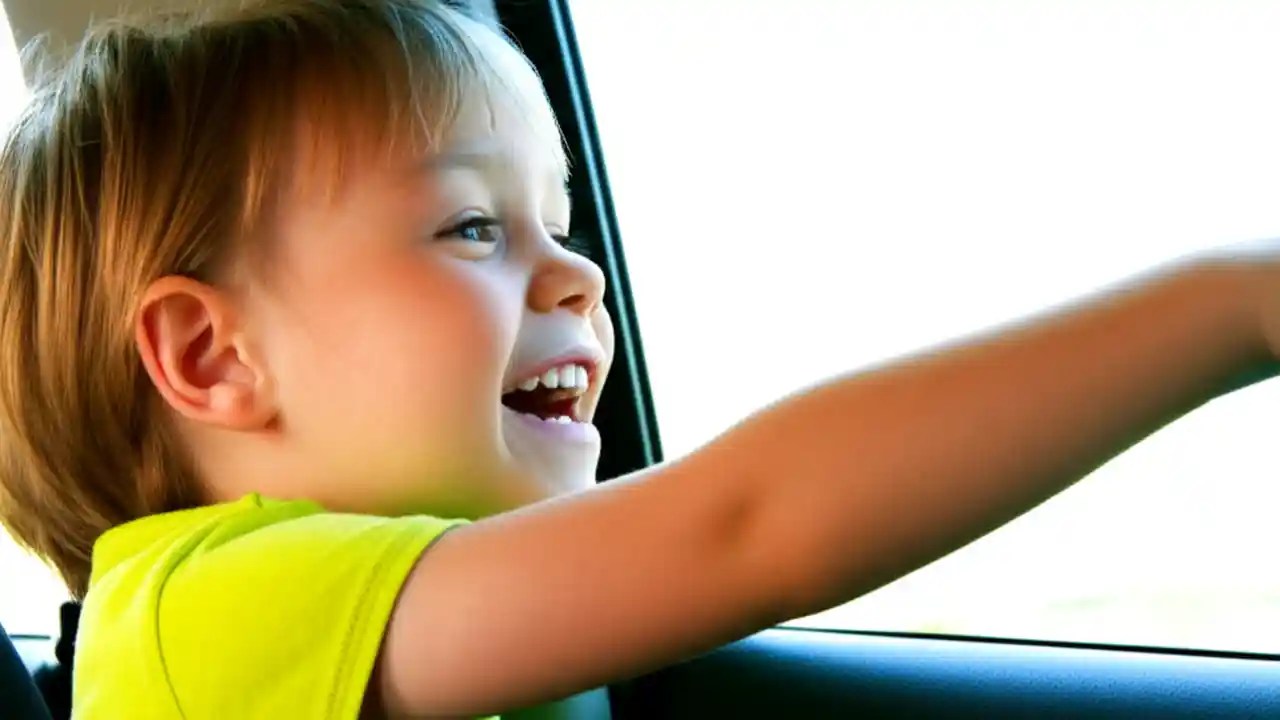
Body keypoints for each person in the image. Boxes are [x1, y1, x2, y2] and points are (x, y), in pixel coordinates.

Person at [0, 0, 1276, 717]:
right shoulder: (195, 615)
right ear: (212, 357)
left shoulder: (418, 611)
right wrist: (1233, 307)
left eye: (556, 220)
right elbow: (747, 524)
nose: (578, 274)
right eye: (472, 227)